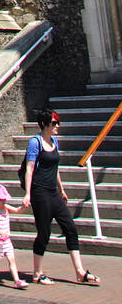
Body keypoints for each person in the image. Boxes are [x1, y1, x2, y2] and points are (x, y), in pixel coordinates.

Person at [22, 109, 100, 286]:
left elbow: (54, 168)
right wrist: (27, 194)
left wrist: (61, 189)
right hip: (40, 193)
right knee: (44, 233)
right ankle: (37, 273)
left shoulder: (54, 141)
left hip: (53, 193)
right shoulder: (35, 143)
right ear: (44, 124)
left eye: (58, 123)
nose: (57, 126)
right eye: (54, 123)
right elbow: (29, 169)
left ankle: (80, 272)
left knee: (70, 228)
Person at [0, 183, 28, 287]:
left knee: (11, 259)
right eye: (1, 199)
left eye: (4, 199)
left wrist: (24, 206)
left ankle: (17, 281)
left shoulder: (5, 207)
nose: (4, 201)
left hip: (6, 240)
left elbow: (17, 210)